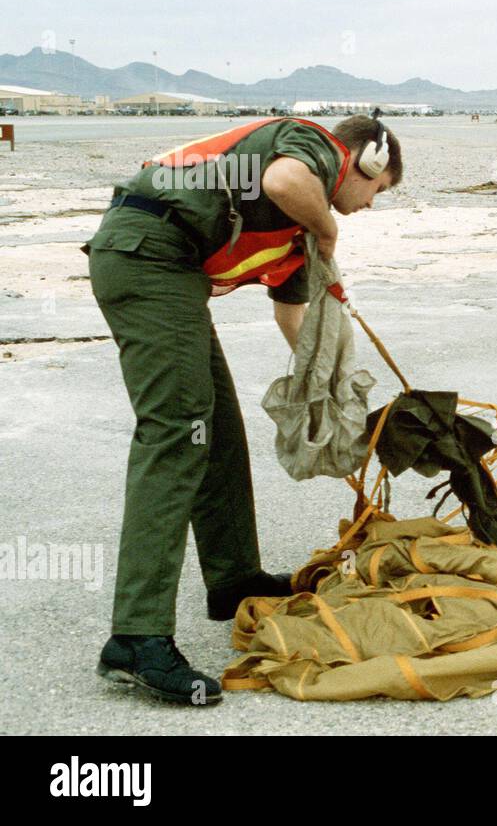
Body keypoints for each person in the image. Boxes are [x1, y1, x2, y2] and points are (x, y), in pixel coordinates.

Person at [86, 114, 402, 704]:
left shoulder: (298, 237)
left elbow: (295, 319)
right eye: (376, 191)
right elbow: (284, 182)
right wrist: (329, 229)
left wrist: (331, 392)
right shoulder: (313, 146)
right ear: (367, 160)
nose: (370, 205)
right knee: (180, 433)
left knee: (219, 430)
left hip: (171, 269)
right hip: (146, 253)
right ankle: (135, 636)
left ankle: (233, 579)